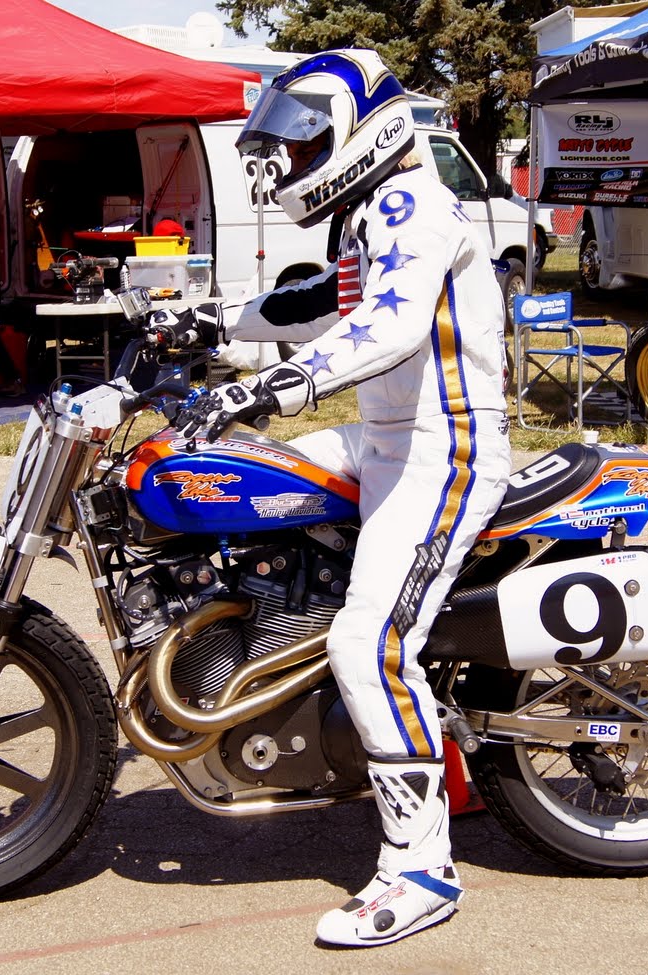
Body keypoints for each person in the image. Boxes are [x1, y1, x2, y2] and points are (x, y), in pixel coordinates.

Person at [162, 50, 510, 948]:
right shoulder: (370, 211)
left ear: (353, 129)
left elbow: (387, 326)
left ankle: (421, 866)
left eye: (299, 132)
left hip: (446, 448)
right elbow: (321, 302)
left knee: (370, 639)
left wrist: (273, 386)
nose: (282, 154)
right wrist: (203, 324)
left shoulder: (414, 201)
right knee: (234, 481)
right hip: (384, 441)